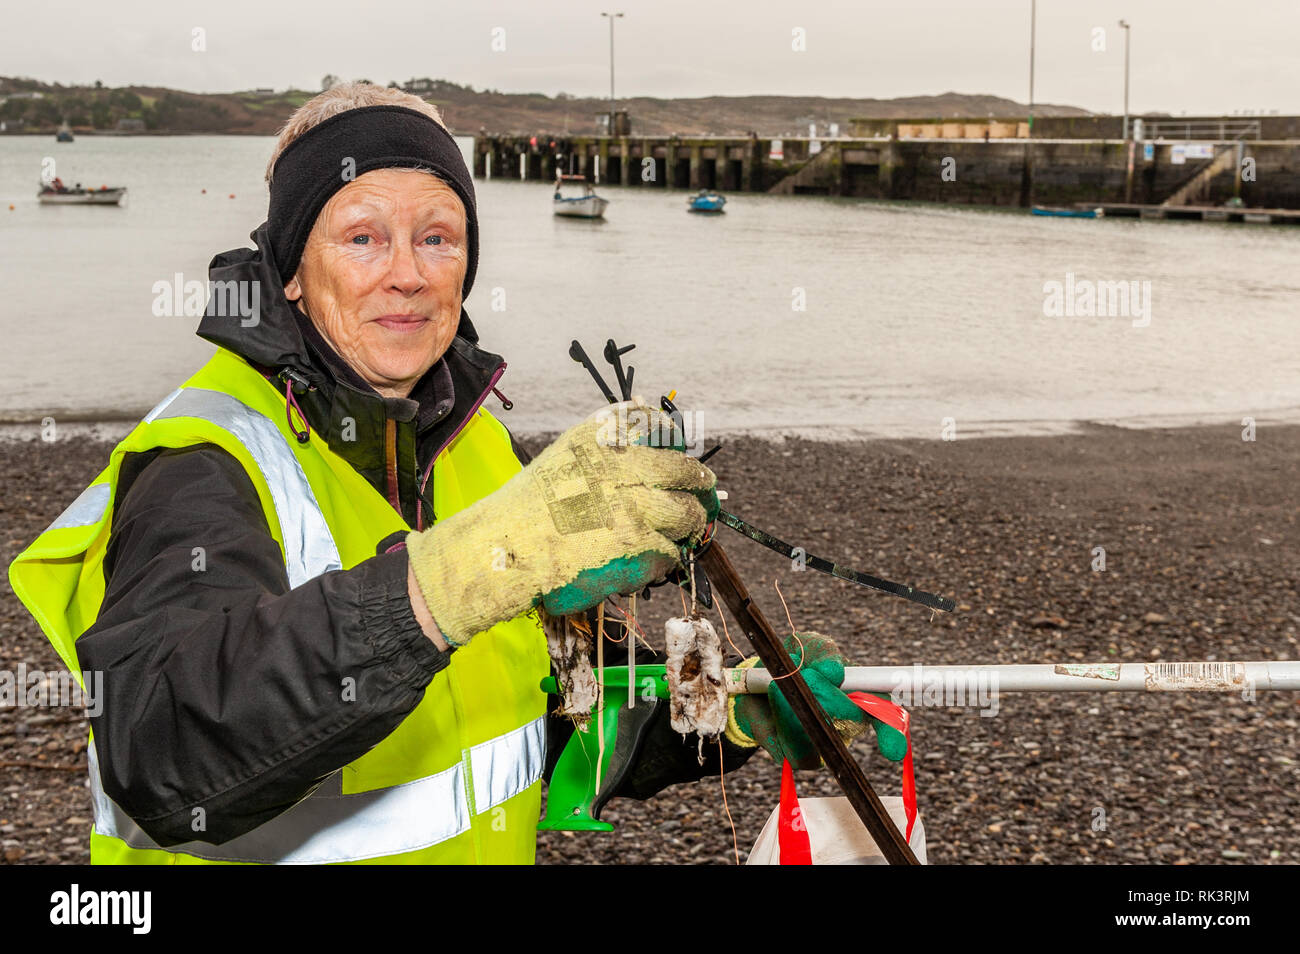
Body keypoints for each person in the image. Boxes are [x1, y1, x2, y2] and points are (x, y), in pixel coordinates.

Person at [10, 83, 899, 865]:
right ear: (288, 271)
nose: (408, 275)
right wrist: (453, 579)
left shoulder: (472, 449)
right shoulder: (204, 461)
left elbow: (540, 725)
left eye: (438, 237)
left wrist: (721, 714)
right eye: (363, 237)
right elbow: (163, 748)